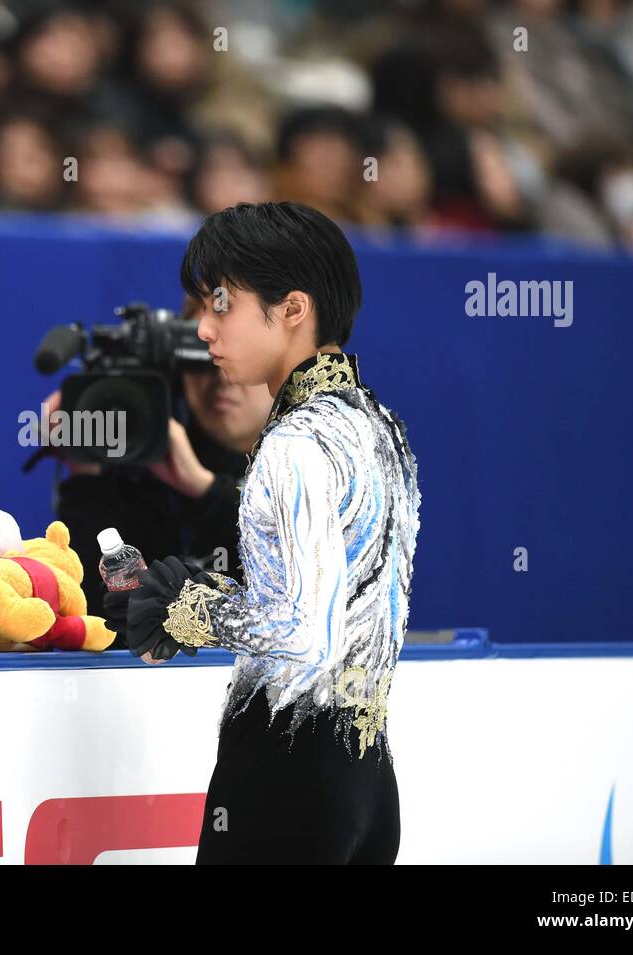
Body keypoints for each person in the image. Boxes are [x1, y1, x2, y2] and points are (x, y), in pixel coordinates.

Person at [107, 202, 420, 864]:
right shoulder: (377, 424)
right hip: (367, 782)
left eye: (223, 303)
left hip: (286, 781)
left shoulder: (296, 441)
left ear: (293, 309)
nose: (203, 327)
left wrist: (181, 604)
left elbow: (303, 627)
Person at [52, 305, 272, 631]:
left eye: (242, 351)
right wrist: (87, 478)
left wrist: (206, 491)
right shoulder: (144, 474)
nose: (222, 377)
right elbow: (100, 627)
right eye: (202, 356)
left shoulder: (311, 465)